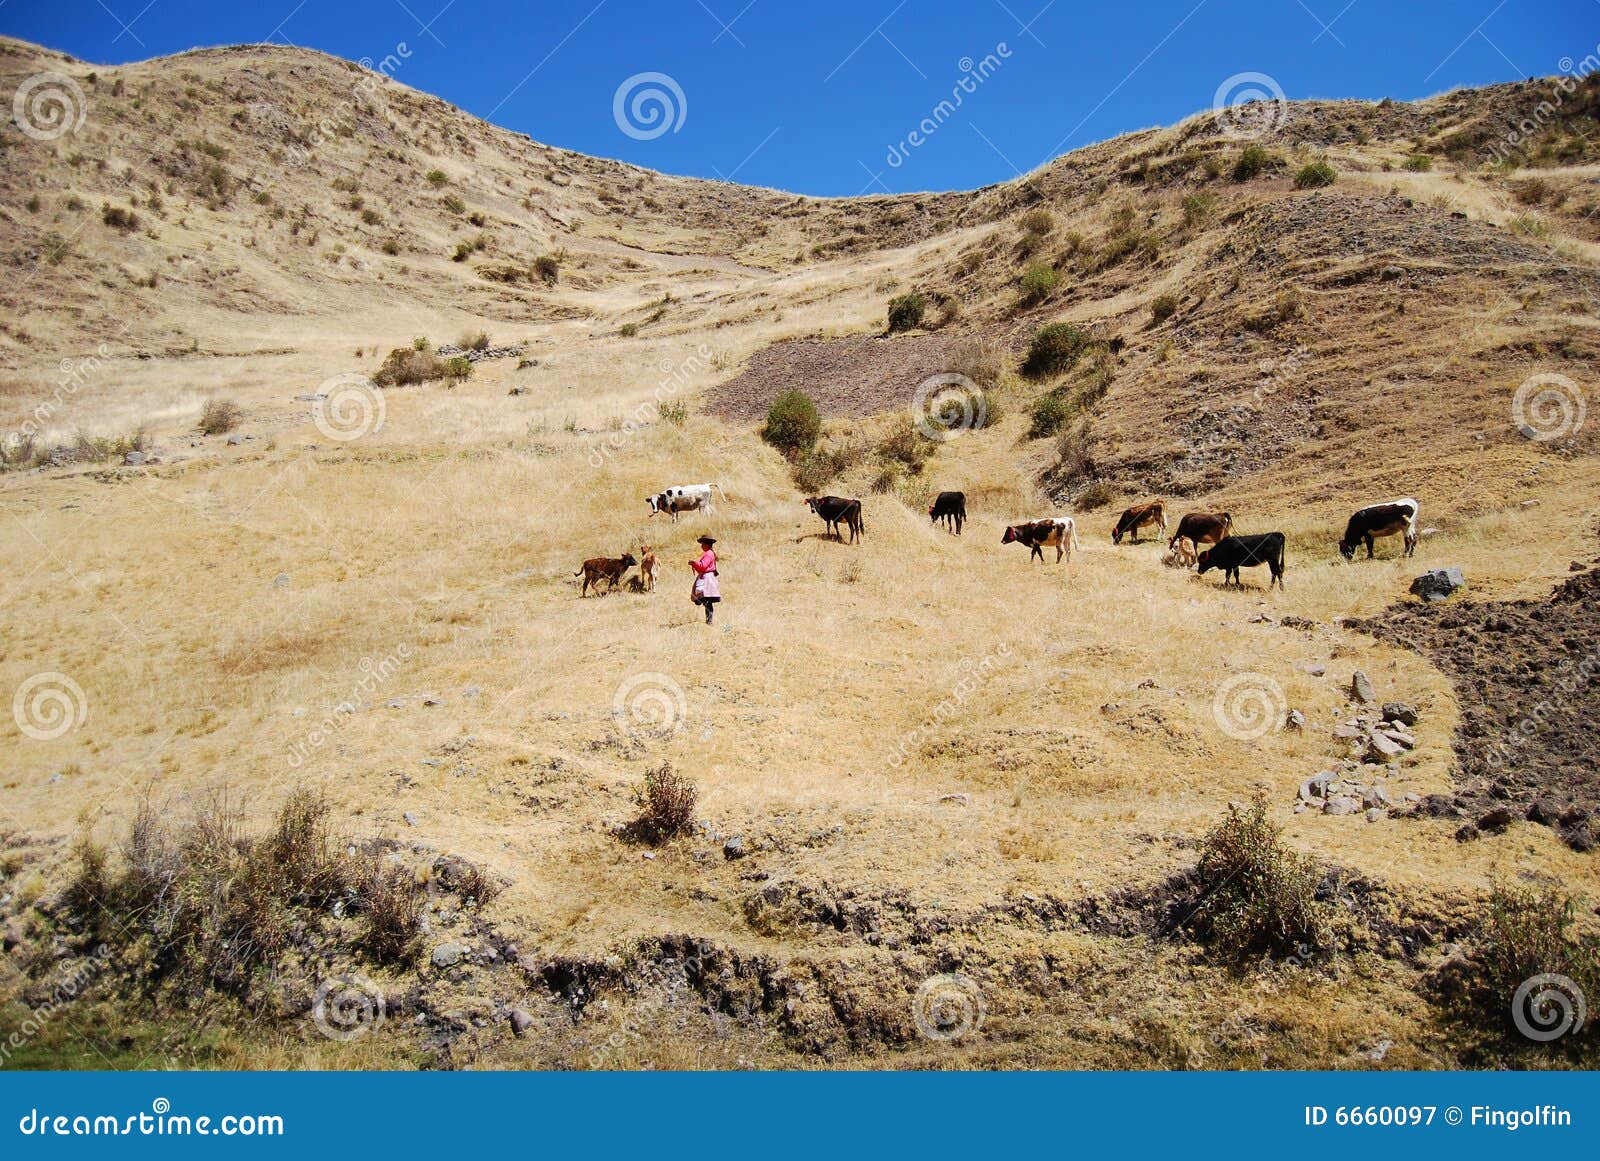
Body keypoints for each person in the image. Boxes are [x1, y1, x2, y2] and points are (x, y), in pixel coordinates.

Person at [689, 535, 720, 624]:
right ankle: (709, 621)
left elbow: (703, 566)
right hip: (707, 578)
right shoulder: (710, 553)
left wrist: (695, 563)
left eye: (702, 544)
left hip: (707, 579)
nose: (701, 546)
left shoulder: (708, 554)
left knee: (707, 601)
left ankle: (709, 621)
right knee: (707, 601)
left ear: (706, 544)